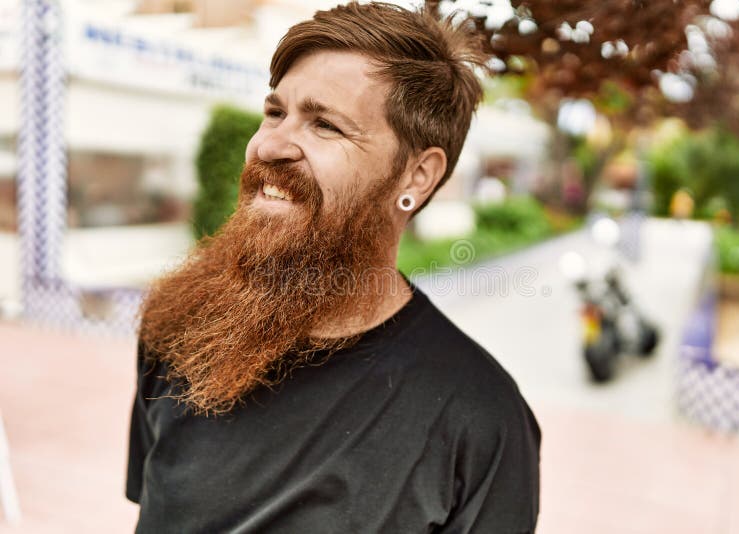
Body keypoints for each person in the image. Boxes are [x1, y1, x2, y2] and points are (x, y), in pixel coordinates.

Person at [126, 2, 540, 532]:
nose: (269, 145)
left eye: (325, 125)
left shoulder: (480, 418)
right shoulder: (175, 323)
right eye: (275, 112)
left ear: (416, 177)